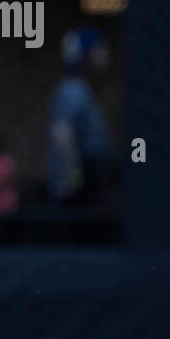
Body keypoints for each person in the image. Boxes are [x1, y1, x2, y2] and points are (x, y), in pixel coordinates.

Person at [47, 28, 113, 206]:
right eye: (100, 49)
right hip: (80, 187)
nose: (106, 54)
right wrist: (74, 176)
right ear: (85, 55)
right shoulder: (73, 90)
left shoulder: (81, 89)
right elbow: (62, 133)